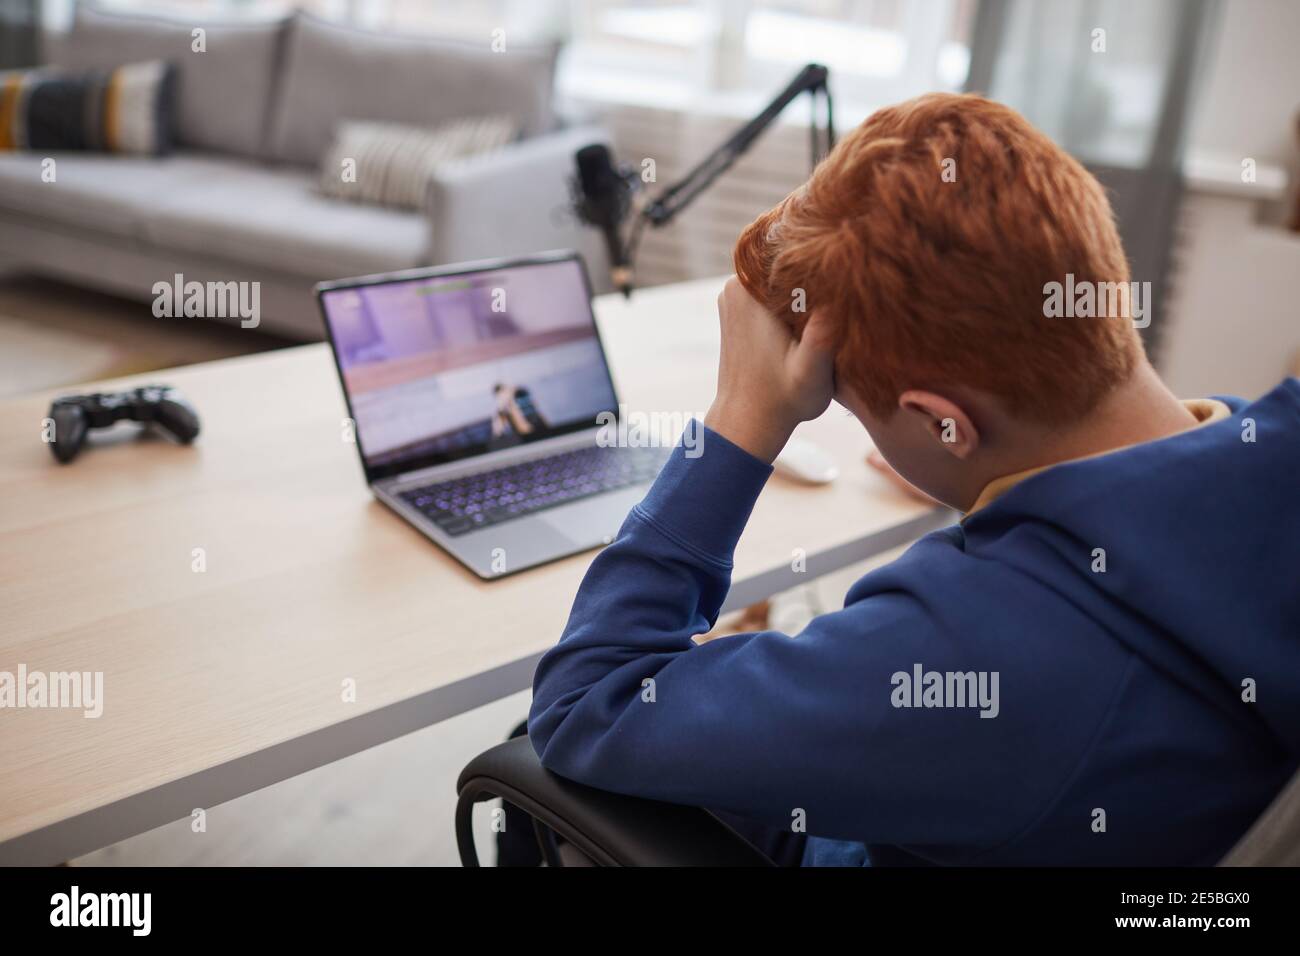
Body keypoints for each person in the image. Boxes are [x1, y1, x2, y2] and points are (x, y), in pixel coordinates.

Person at [527, 93, 1300, 866]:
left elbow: (584, 702)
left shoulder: (967, 647)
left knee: (535, 768)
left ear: (943, 422)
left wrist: (739, 420)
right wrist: (1003, 489)